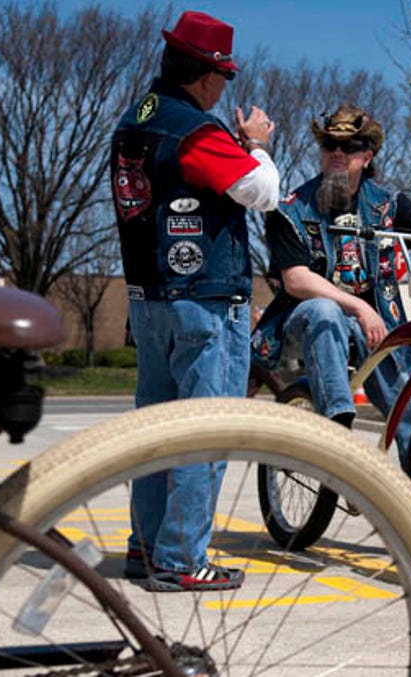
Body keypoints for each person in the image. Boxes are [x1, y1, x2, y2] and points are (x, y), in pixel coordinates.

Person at [250, 104, 411, 555]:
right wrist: (355, 305)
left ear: (367, 154)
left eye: (349, 146)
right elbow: (295, 280)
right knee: (324, 313)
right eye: (329, 145)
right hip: (312, 319)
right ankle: (338, 434)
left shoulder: (387, 203)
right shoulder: (291, 208)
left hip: (378, 324)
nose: (338, 153)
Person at [109, 10, 278, 592]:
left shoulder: (137, 119)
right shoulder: (193, 130)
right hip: (204, 300)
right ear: (206, 75)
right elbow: (260, 190)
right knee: (205, 433)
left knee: (156, 430)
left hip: (147, 296)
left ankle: (146, 547)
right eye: (224, 77)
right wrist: (254, 145)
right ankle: (181, 560)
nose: (224, 88)